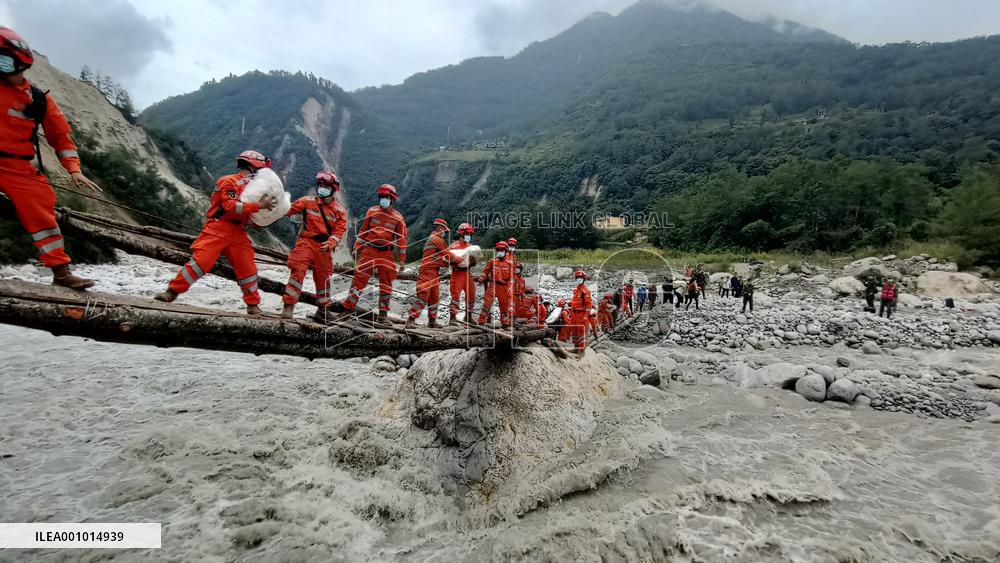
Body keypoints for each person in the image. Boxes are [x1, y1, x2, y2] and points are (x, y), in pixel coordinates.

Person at [0, 27, 104, 289]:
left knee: (42, 212)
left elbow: (62, 139)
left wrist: (74, 169)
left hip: (16, 166)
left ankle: (61, 271)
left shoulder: (38, 100)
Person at [155, 150, 277, 314]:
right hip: (219, 227)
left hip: (238, 231)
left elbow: (248, 214)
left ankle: (253, 306)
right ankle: (171, 292)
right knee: (201, 261)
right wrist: (259, 206)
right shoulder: (228, 182)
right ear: (252, 166)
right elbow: (231, 207)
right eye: (259, 169)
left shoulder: (252, 189)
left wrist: (262, 217)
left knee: (248, 268)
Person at [280, 171, 347, 321]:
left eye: (325, 186)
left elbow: (339, 231)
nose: (322, 188)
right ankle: (288, 307)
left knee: (324, 279)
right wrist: (274, 204)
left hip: (324, 247)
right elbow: (287, 210)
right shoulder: (307, 201)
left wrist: (330, 243)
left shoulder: (340, 211)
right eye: (320, 185)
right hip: (306, 242)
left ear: (333, 189)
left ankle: (323, 310)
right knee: (297, 272)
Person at [342, 184, 407, 322]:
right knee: (358, 280)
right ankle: (347, 310)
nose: (384, 199)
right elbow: (363, 232)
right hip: (369, 251)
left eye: (387, 197)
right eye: (382, 196)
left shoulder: (398, 218)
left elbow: (401, 240)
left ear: (392, 199)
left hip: (387, 254)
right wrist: (356, 247)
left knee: (386, 284)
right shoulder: (371, 211)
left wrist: (401, 259)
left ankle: (382, 316)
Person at [406, 218, 454, 328]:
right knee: (422, 297)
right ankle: (411, 320)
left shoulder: (433, 239)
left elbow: (439, 259)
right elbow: (448, 256)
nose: (444, 233)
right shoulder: (437, 239)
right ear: (440, 229)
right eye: (444, 231)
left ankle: (432, 321)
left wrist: (448, 263)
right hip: (427, 272)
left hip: (433, 272)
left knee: (434, 298)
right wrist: (460, 261)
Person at [478, 241, 515, 326]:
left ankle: (505, 323)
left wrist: (510, 287)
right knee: (487, 303)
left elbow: (512, 278)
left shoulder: (510, 263)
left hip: (504, 287)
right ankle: (481, 321)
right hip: (493, 285)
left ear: (506, 251)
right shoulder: (492, 261)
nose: (500, 252)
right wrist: (482, 276)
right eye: (498, 250)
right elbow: (485, 271)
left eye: (502, 250)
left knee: (504, 306)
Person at [447, 222, 477, 324]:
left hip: (467, 272)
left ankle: (468, 316)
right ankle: (452, 318)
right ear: (461, 234)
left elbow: (474, 263)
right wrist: (454, 261)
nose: (469, 236)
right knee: (455, 295)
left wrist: (473, 262)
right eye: (467, 234)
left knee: (471, 293)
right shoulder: (453, 247)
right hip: (457, 273)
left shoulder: (471, 247)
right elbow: (445, 260)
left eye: (470, 235)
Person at [568, 270, 593, 354]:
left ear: (584, 279)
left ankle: (581, 352)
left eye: (580, 278)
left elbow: (588, 305)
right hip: (574, 314)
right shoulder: (576, 290)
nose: (579, 279)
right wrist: (570, 314)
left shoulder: (586, 291)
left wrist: (585, 316)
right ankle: (576, 348)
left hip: (581, 314)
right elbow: (574, 304)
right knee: (574, 331)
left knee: (581, 333)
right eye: (578, 278)